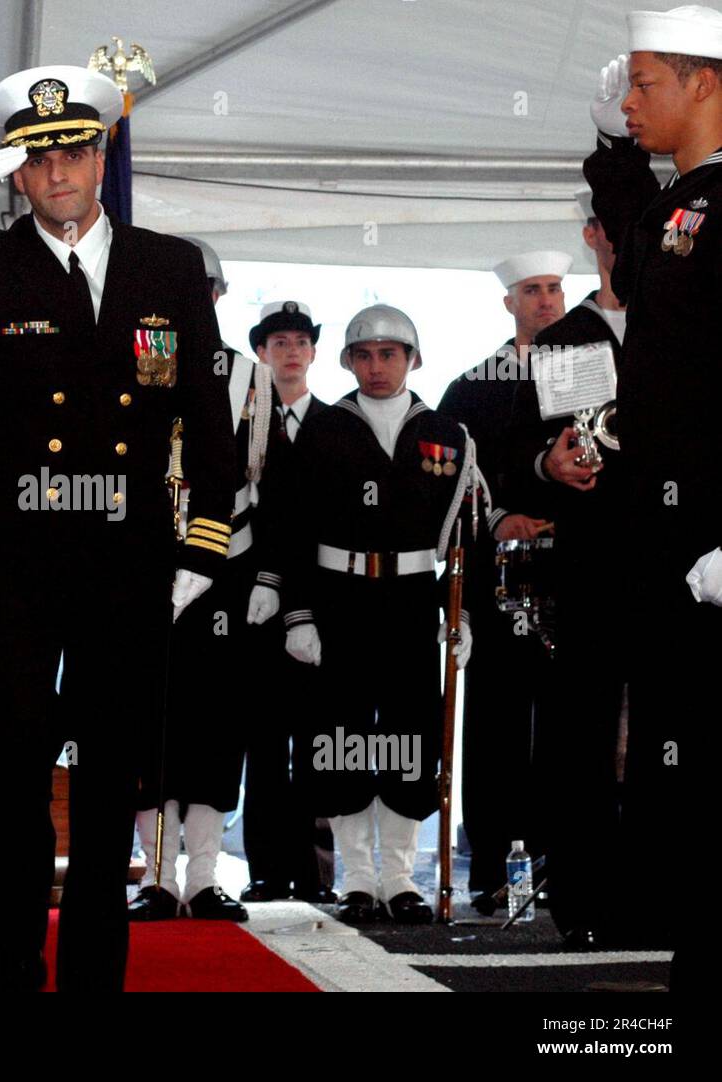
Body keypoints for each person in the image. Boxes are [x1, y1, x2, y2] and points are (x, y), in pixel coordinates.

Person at [0, 65, 234, 991]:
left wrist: (205, 541)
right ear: (16, 178)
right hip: (14, 558)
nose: (58, 173)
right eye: (36, 161)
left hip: (130, 553)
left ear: (102, 155)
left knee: (114, 775)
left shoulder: (170, 265)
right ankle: (19, 950)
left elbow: (205, 413)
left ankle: (99, 957)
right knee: (12, 764)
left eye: (73, 151)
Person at [583, 8, 722, 981]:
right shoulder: (684, 205)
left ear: (704, 81)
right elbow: (639, 264)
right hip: (670, 539)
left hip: (714, 532)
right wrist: (608, 143)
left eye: (644, 85)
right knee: (683, 770)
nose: (628, 103)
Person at [262, 305, 474, 925]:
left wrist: (462, 617)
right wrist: (297, 614)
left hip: (410, 601)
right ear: (348, 361)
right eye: (364, 355)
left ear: (413, 359)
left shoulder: (447, 434)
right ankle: (356, 877)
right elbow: (291, 528)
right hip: (338, 598)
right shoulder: (322, 430)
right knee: (343, 737)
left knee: (409, 737)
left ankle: (400, 878)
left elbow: (463, 538)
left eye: (389, 354)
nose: (376, 367)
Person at [129, 242, 273, 924]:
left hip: (225, 562)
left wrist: (266, 577)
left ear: (218, 294)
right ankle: (156, 876)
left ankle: (207, 877)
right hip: (146, 560)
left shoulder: (250, 374)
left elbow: (264, 481)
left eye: (208, 289)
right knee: (146, 723)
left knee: (215, 726)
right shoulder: (139, 359)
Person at [501, 191, 630, 945]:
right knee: (580, 735)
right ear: (594, 236)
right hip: (593, 563)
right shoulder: (572, 338)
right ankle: (584, 903)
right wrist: (545, 465)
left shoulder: (686, 320)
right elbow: (528, 449)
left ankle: (670, 891)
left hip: (689, 565)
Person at [437, 251, 567, 912]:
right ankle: (493, 867)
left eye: (554, 289)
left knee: (572, 722)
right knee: (495, 723)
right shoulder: (469, 389)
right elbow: (445, 482)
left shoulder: (592, 378)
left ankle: (565, 864)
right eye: (533, 291)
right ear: (508, 302)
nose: (547, 300)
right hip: (498, 581)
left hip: (575, 574)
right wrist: (499, 520)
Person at [241, 301, 336, 906]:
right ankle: (266, 869)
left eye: (301, 341)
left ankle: (317, 872)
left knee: (319, 742)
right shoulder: (244, 419)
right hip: (257, 607)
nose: (291, 351)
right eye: (279, 341)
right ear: (261, 352)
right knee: (265, 744)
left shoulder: (338, 423)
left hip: (322, 606)